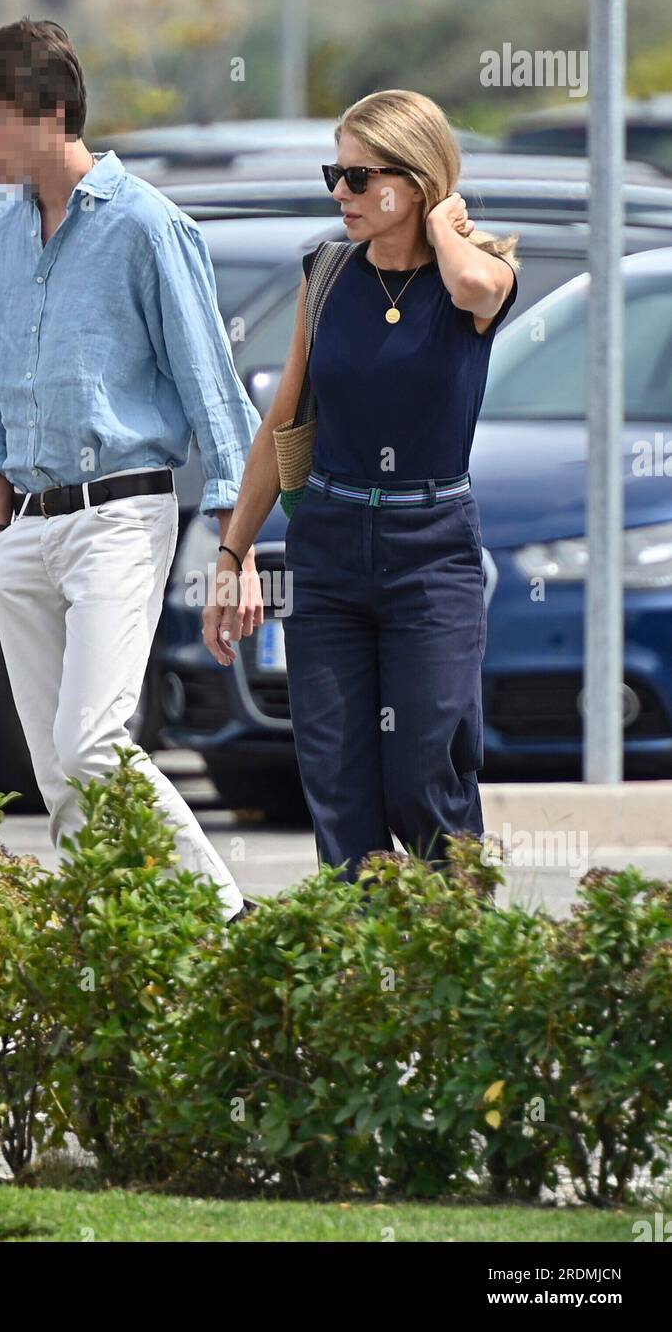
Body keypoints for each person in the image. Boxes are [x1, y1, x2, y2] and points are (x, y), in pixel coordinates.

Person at [0, 17, 263, 922]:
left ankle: (227, 917)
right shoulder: (1, 236)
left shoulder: (149, 228)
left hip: (122, 515)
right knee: (56, 769)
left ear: (49, 111)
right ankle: (111, 948)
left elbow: (214, 393)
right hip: (25, 531)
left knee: (92, 745)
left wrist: (236, 552)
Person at [203, 89, 519, 881]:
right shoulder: (329, 271)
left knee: (425, 771)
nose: (338, 193)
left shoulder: (478, 280)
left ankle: (451, 962)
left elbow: (477, 292)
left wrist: (443, 227)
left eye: (357, 176)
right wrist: (232, 551)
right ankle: (360, 978)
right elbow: (284, 424)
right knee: (339, 787)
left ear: (412, 181)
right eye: (332, 174)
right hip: (332, 546)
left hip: (432, 551)